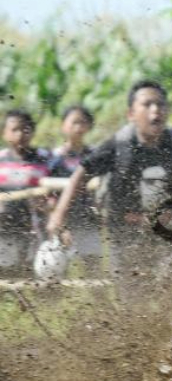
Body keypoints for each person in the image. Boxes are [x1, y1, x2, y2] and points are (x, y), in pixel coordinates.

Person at [46, 82, 172, 295]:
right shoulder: (119, 145)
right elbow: (80, 175)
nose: (155, 110)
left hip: (170, 233)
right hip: (127, 237)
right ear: (131, 114)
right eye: (147, 104)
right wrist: (59, 215)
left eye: (160, 104)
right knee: (134, 300)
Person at [47, 105, 104, 270]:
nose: (78, 127)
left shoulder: (95, 155)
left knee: (93, 268)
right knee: (54, 269)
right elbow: (50, 197)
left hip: (89, 222)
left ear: (89, 126)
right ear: (63, 125)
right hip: (63, 222)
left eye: (82, 123)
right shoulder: (54, 158)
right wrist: (61, 226)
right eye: (74, 122)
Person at [0, 110, 51, 274]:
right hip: (4, 226)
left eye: (25, 129)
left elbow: (55, 191)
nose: (20, 134)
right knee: (6, 272)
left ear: (32, 132)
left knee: (34, 272)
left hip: (35, 226)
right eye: (14, 129)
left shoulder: (46, 158)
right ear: (4, 133)